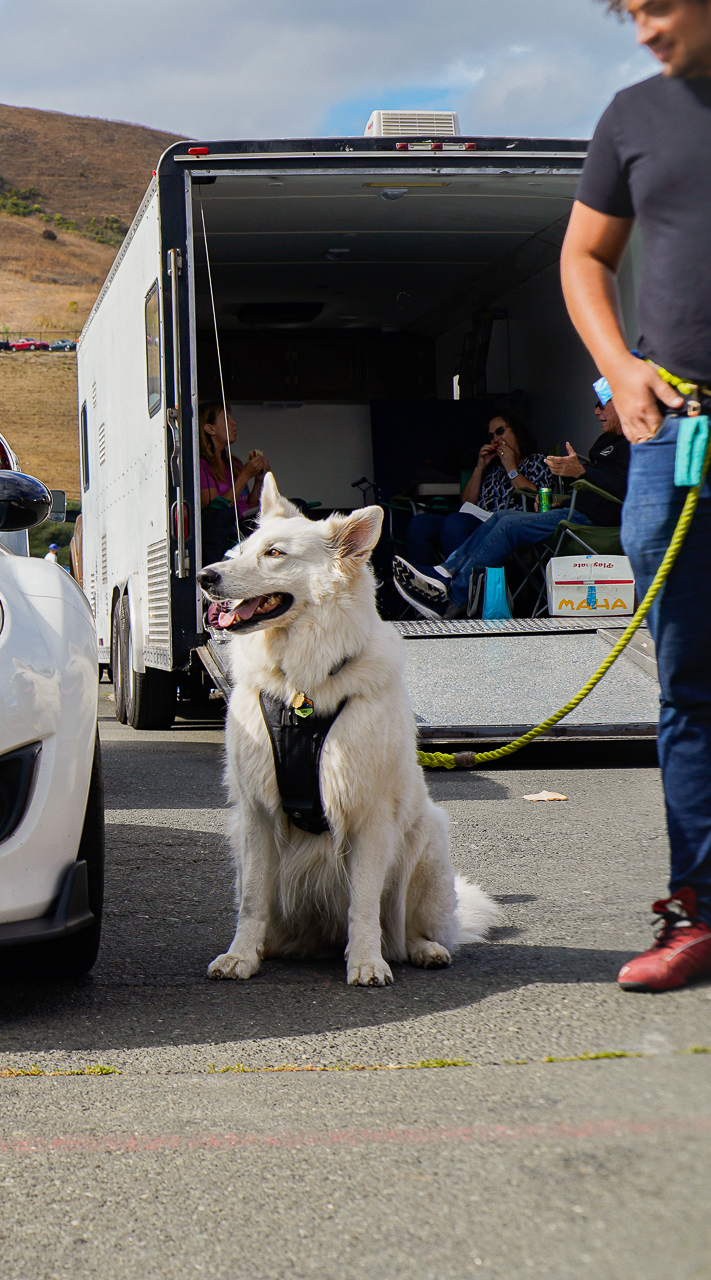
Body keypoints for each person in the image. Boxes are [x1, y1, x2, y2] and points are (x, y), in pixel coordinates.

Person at [561, 0, 711, 992]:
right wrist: (621, 371)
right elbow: (583, 258)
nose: (645, 25)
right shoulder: (630, 117)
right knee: (691, 686)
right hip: (679, 433)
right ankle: (700, 911)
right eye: (631, 10)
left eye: (659, 3)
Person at [393, 383, 629, 616]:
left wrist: (581, 471)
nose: (596, 411)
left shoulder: (636, 443)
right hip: (577, 512)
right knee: (501, 516)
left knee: (506, 525)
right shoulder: (604, 443)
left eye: (601, 404)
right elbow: (590, 491)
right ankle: (444, 573)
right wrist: (563, 502)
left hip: (600, 523)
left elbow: (625, 487)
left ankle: (451, 599)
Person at [402, 410, 554, 572]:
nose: (496, 439)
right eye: (491, 436)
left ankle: (457, 587)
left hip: (506, 527)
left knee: (455, 523)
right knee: (420, 523)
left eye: (500, 431)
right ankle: (423, 585)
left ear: (516, 431)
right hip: (478, 520)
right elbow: (467, 502)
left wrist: (511, 466)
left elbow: (534, 498)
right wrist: (480, 466)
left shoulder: (538, 461)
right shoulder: (494, 466)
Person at [198, 402, 268, 566]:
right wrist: (245, 475)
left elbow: (248, 505)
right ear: (210, 429)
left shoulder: (234, 463)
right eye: (226, 418)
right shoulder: (202, 466)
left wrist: (258, 480)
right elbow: (214, 510)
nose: (233, 422)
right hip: (226, 540)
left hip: (246, 532)